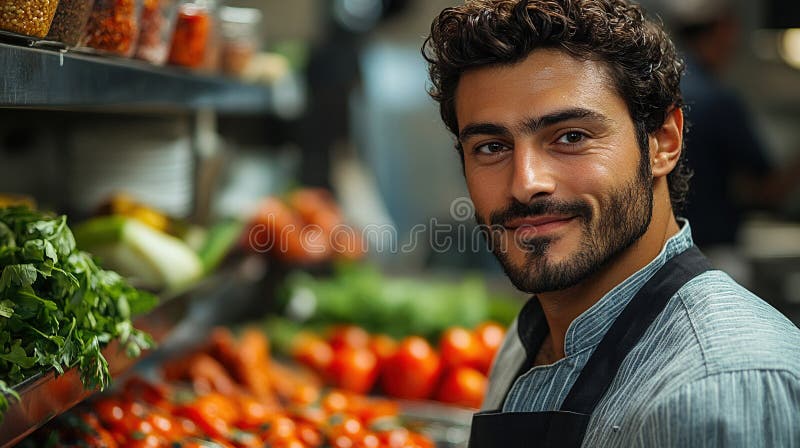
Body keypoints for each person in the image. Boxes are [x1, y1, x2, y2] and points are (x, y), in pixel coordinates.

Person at [422, 0, 800, 446]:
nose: (526, 184)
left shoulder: (715, 388)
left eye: (571, 137)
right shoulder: (526, 341)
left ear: (663, 142)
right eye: (490, 146)